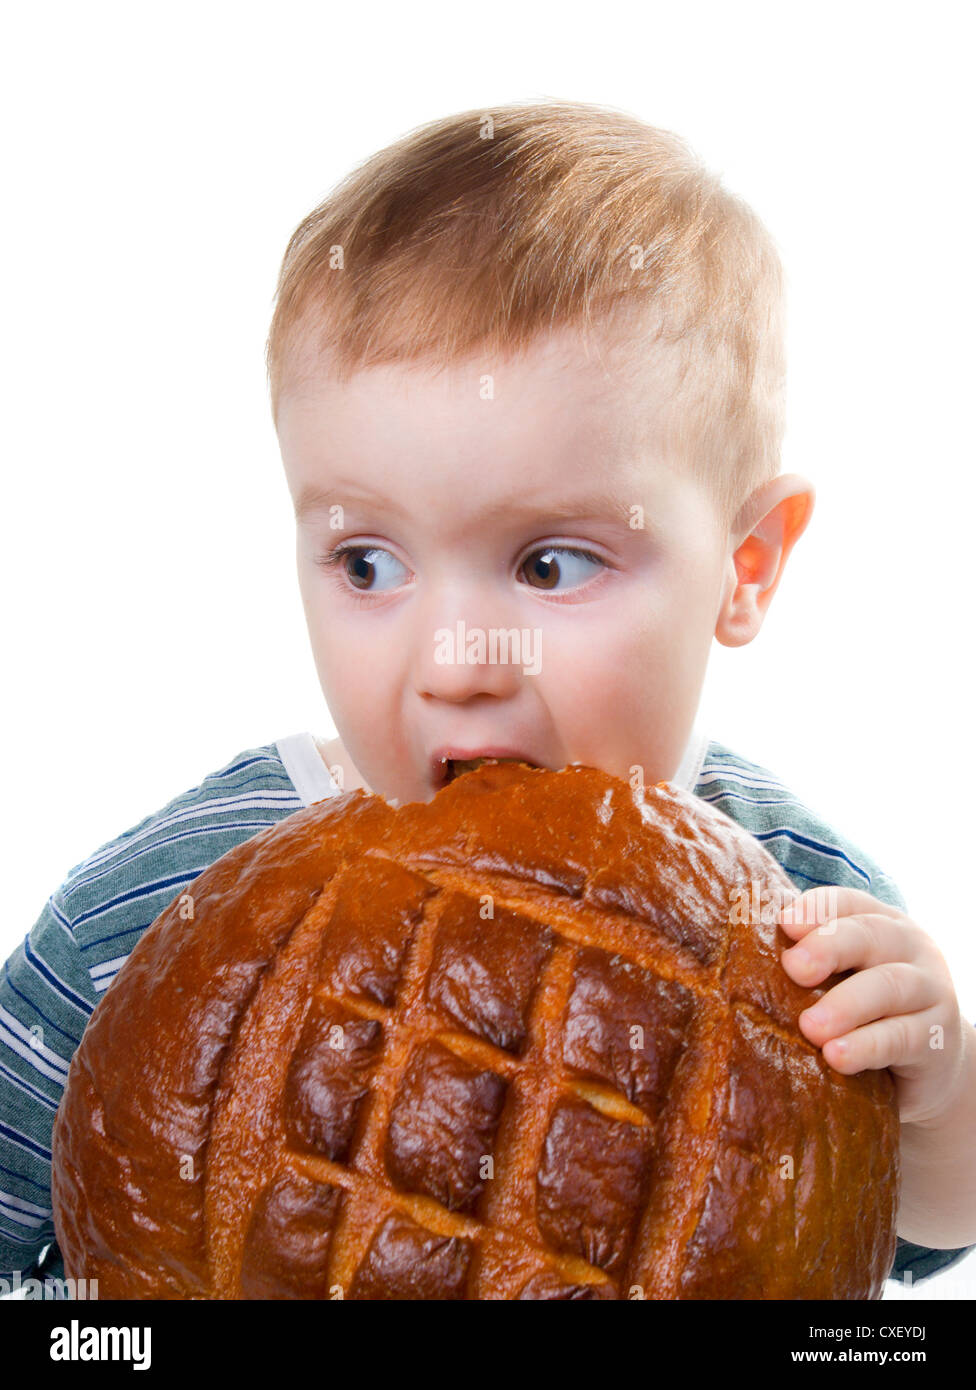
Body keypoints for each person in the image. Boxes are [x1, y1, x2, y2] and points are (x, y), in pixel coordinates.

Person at [2, 99, 973, 1298]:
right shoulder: (144, 914)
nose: (455, 658)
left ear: (746, 564)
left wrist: (939, 1098)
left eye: (550, 563)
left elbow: (904, 1242)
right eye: (369, 564)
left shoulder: (807, 918)